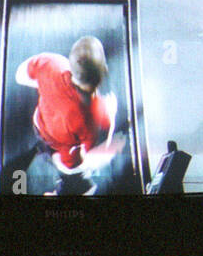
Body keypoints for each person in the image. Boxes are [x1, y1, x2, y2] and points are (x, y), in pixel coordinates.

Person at [14, 36, 123, 195]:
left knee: (44, 145)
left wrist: (45, 85)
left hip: (40, 122)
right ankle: (73, 186)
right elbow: (89, 151)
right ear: (104, 70)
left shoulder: (52, 64)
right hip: (64, 149)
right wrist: (110, 112)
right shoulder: (92, 117)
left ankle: (44, 152)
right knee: (71, 167)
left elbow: (20, 75)